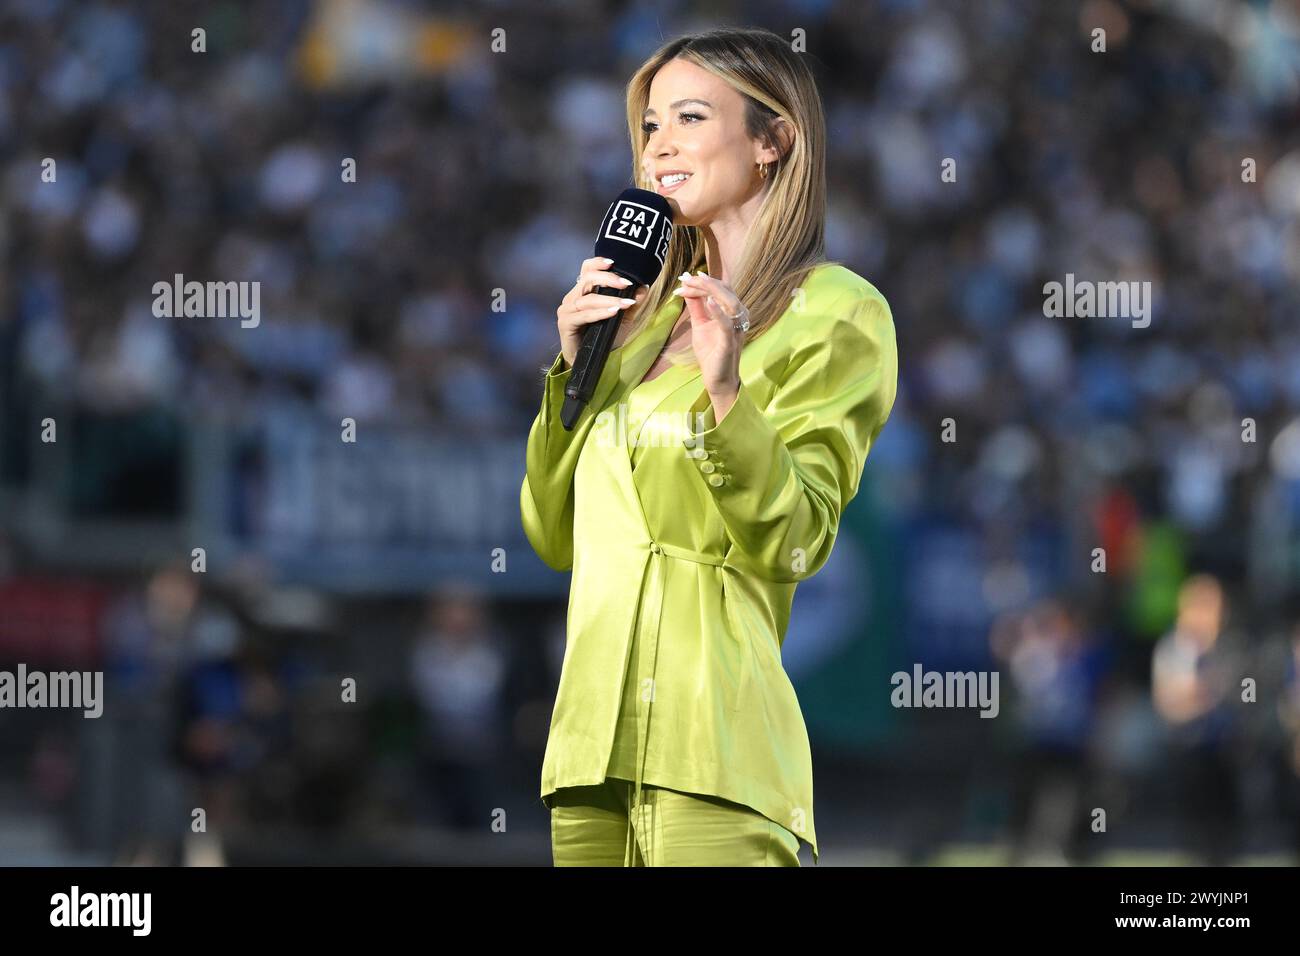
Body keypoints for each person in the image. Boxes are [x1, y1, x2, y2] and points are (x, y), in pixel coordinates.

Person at [520, 27, 898, 866]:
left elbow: (794, 537)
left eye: (690, 117)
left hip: (714, 749)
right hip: (586, 753)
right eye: (650, 125)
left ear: (774, 140)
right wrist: (571, 375)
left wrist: (727, 394)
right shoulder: (634, 317)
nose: (660, 146)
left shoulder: (837, 310)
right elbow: (553, 539)